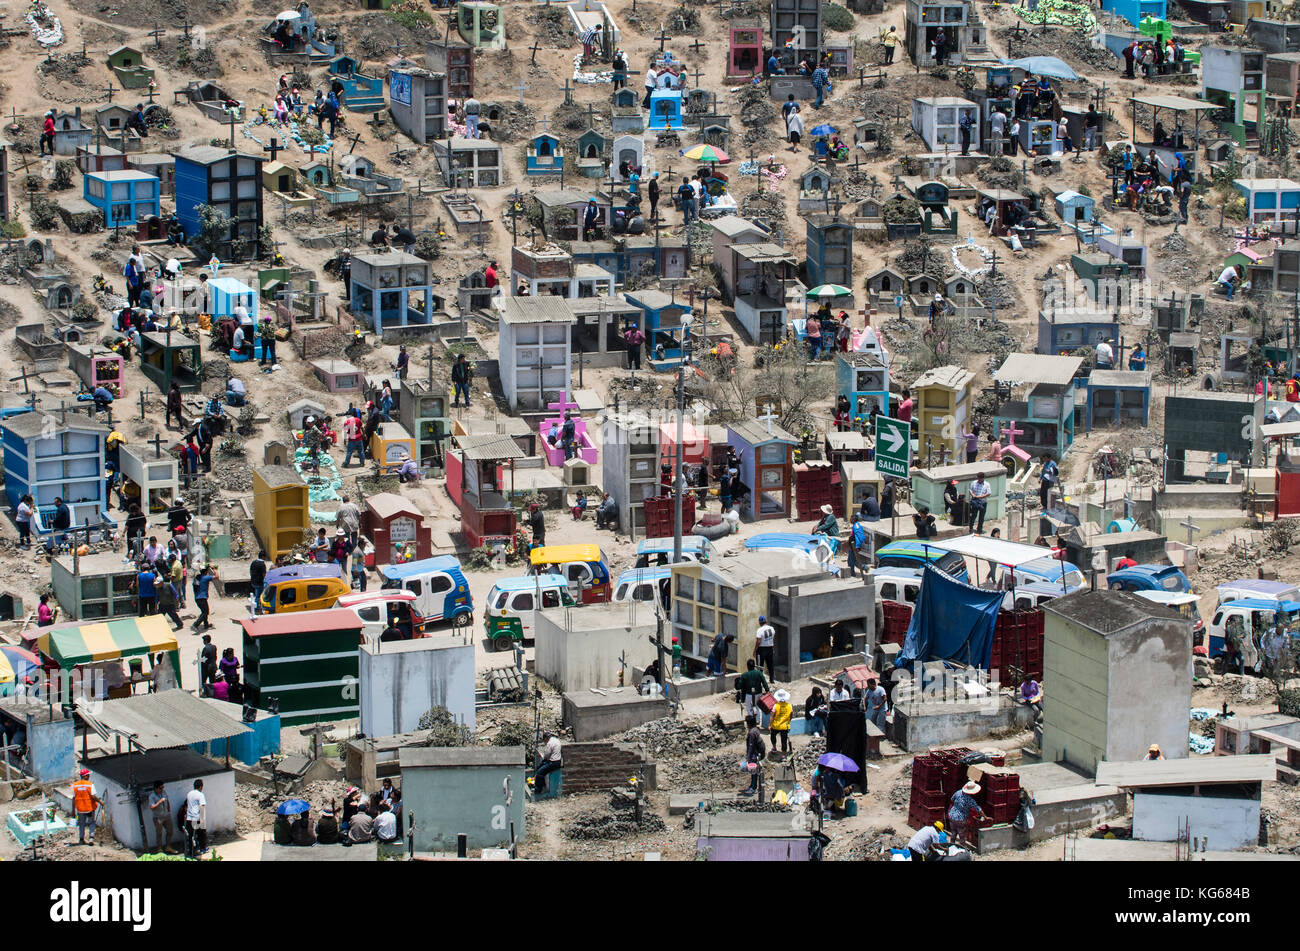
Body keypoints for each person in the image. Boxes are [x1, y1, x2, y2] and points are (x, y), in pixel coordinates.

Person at [947, 780, 985, 844]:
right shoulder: (970, 800)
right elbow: (978, 809)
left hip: (951, 816)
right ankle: (962, 848)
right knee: (962, 836)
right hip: (961, 819)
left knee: (953, 833)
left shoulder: (958, 792)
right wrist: (985, 817)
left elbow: (952, 799)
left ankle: (951, 845)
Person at [73, 768, 102, 846]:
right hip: (89, 808)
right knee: (91, 823)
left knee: (81, 824)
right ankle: (91, 838)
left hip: (80, 809)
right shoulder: (90, 784)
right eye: (88, 775)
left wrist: (73, 810)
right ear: (85, 776)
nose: (89, 776)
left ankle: (81, 839)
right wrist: (100, 802)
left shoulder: (75, 785)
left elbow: (74, 798)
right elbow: (93, 796)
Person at [740, 715, 765, 796]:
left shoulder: (751, 733)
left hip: (754, 755)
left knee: (753, 771)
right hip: (758, 753)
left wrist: (748, 757)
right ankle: (753, 786)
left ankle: (753, 787)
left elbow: (751, 745)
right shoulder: (756, 730)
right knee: (754, 771)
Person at [148, 781, 176, 853]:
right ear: (156, 788)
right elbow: (152, 807)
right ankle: (159, 848)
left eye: (163, 787)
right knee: (159, 833)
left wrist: (169, 810)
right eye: (160, 788)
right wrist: (159, 802)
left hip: (166, 815)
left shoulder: (164, 793)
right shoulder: (152, 796)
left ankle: (168, 846)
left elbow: (167, 801)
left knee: (170, 831)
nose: (162, 789)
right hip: (158, 817)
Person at [184, 779, 207, 858]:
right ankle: (202, 848)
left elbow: (187, 805)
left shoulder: (189, 794)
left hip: (189, 818)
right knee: (201, 834)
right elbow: (202, 806)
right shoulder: (200, 795)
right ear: (201, 787)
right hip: (196, 818)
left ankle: (190, 852)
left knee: (190, 836)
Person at [535, 730, 563, 795]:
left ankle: (538, 790)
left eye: (544, 740)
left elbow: (547, 755)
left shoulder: (550, 743)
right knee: (541, 768)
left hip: (553, 762)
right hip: (558, 761)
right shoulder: (556, 740)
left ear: (546, 738)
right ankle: (543, 785)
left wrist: (542, 755)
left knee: (539, 773)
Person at [768, 689, 793, 757]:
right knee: (784, 740)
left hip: (775, 725)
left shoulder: (776, 706)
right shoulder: (790, 706)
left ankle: (774, 747)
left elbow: (772, 716)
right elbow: (791, 715)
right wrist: (788, 722)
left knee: (773, 736)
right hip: (785, 726)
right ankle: (784, 754)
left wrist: (770, 725)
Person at [192, 564, 215, 632]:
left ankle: (206, 625)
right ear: (206, 572)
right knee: (205, 612)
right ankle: (196, 625)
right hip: (202, 598)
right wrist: (213, 569)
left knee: (204, 611)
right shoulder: (205, 578)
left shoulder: (198, 577)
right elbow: (217, 576)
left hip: (197, 598)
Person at [754, 615, 776, 681]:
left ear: (760, 622)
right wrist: (773, 647)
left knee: (760, 665)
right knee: (770, 665)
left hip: (761, 649)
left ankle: (760, 680)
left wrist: (755, 650)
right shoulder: (771, 628)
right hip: (770, 648)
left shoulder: (759, 630)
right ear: (765, 621)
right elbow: (772, 639)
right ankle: (772, 679)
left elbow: (758, 641)